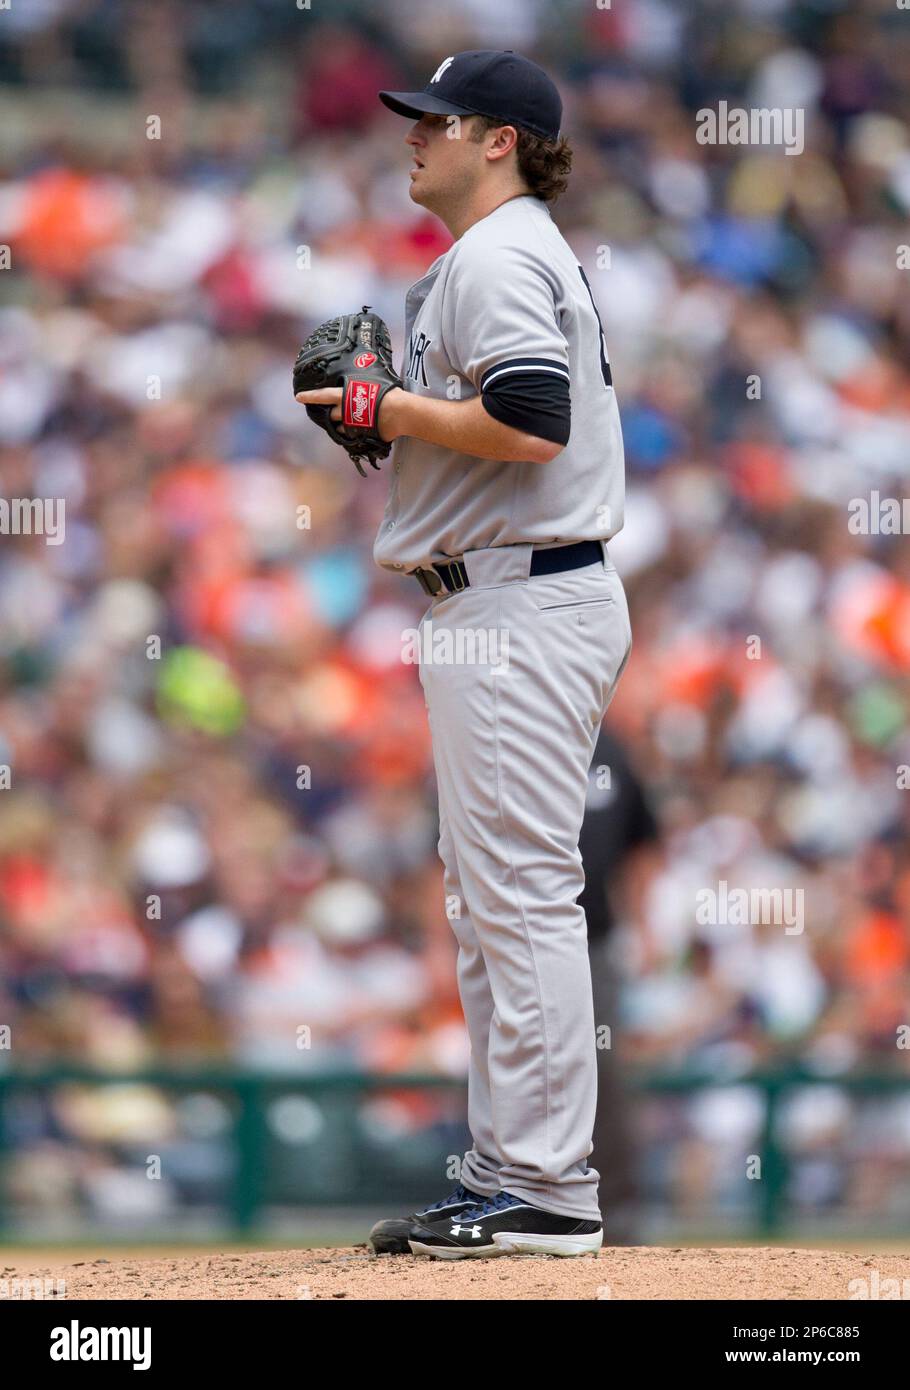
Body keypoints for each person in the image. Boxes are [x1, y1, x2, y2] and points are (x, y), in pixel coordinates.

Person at [296, 49, 631, 1259]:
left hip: (519, 598)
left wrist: (386, 411)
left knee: (520, 894)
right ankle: (515, 1171)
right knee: (491, 896)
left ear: (500, 140)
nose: (414, 135)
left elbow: (530, 424)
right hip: (507, 594)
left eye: (438, 120)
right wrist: (405, 429)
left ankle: (542, 1184)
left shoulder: (495, 253)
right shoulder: (503, 254)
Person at [580, 726, 660, 1242]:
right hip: (507, 938)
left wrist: (643, 922)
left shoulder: (610, 750)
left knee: (603, 1072)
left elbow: (642, 842)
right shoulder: (508, 729)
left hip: (592, 938)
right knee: (500, 1065)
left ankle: (616, 1215)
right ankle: (499, 1195)